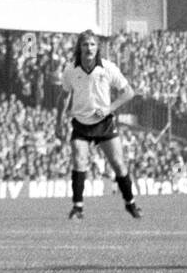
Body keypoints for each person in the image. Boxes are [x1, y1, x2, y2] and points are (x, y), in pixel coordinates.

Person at [56, 29, 140, 219]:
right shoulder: (70, 70)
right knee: (79, 159)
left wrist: (110, 108)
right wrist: (58, 123)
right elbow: (63, 97)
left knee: (118, 164)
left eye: (92, 44)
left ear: (97, 47)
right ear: (80, 47)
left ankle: (130, 203)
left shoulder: (108, 67)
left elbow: (128, 92)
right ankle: (78, 207)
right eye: (85, 44)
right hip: (81, 123)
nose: (89, 48)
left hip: (104, 123)